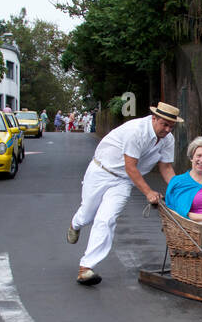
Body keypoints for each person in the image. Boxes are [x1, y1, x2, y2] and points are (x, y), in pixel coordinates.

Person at [67, 102, 180, 285]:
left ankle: (86, 267)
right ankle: (76, 223)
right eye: (164, 124)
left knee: (106, 219)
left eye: (171, 126)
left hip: (122, 182)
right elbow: (131, 166)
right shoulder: (137, 131)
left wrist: (180, 190)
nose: (167, 129)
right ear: (154, 118)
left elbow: (166, 167)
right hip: (101, 171)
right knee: (87, 214)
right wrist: (148, 192)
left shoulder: (168, 140)